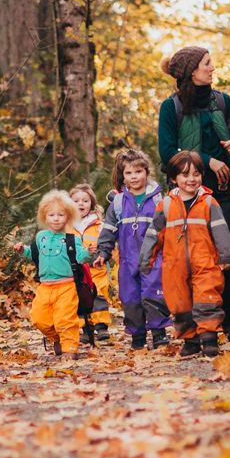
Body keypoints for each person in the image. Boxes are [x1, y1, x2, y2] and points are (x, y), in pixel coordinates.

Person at [156, 47, 230, 342]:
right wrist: (206, 159)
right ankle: (195, 324)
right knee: (192, 261)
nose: (212, 68)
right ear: (191, 71)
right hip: (189, 198)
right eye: (207, 64)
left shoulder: (223, 100)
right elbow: (166, 153)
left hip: (226, 193)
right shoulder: (170, 107)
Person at [138, 150, 230, 358]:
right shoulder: (165, 205)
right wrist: (146, 258)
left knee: (207, 297)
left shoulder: (209, 203)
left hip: (205, 261)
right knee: (179, 302)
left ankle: (209, 337)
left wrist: (226, 255)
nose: (191, 179)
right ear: (174, 178)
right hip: (175, 263)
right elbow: (154, 234)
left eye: (196, 174)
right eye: (185, 175)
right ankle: (190, 339)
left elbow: (220, 230)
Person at [95, 148, 170, 351]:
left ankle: (159, 333)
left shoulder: (158, 200)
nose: (134, 176)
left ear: (146, 172)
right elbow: (109, 229)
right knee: (130, 298)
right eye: (128, 173)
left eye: (138, 171)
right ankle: (137, 336)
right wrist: (103, 252)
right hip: (128, 261)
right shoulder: (118, 203)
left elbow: (167, 229)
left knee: (154, 295)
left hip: (154, 259)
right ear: (123, 176)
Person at [22, 190, 89, 357]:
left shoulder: (72, 238)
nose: (56, 218)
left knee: (65, 319)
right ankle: (57, 338)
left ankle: (69, 349)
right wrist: (22, 250)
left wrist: (90, 252)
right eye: (52, 215)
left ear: (69, 216)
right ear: (45, 216)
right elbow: (34, 254)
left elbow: (81, 257)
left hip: (66, 286)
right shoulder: (41, 237)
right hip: (45, 287)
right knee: (39, 319)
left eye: (61, 214)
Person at [69, 182, 112, 346]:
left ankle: (102, 326)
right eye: (76, 201)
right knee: (80, 298)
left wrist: (100, 251)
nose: (81, 203)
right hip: (77, 270)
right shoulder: (67, 226)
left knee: (99, 295)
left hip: (96, 268)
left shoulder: (99, 225)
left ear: (92, 204)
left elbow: (107, 243)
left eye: (85, 201)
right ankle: (86, 329)